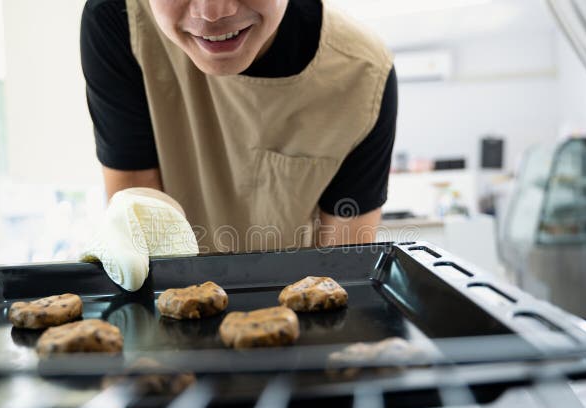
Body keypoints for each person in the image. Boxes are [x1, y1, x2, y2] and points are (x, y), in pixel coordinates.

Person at [79, 0, 398, 290]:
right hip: (169, 311)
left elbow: (344, 279)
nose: (212, 12)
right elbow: (142, 227)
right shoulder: (120, 24)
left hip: (296, 327)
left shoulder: (360, 76)